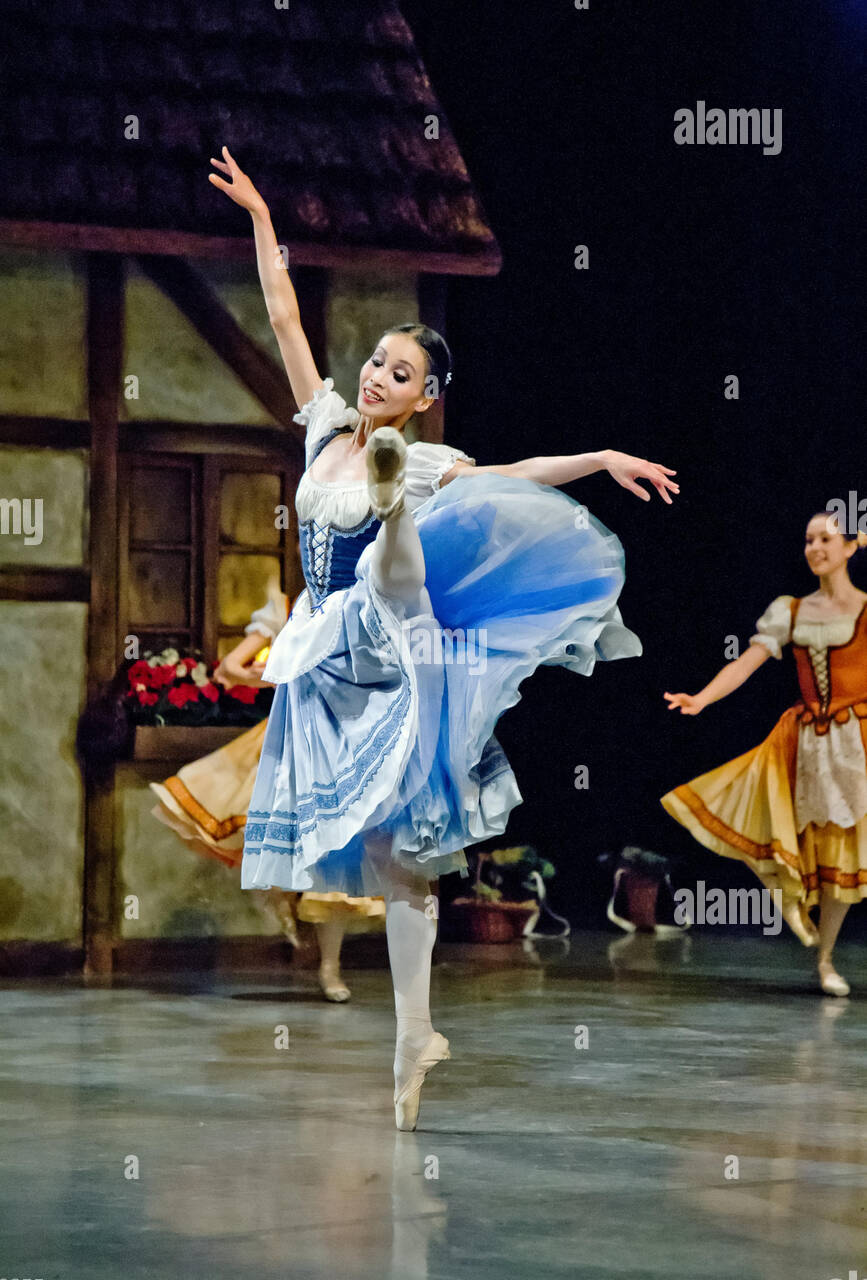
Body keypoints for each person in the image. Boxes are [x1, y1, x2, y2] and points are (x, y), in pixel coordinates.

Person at [209, 145, 677, 1129]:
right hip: (321, 655)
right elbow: (284, 312)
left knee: (403, 841)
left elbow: (516, 472)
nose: (378, 375)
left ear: (424, 395)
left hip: (379, 647)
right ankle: (415, 1028)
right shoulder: (324, 427)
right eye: (378, 360)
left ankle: (415, 1028)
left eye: (401, 371)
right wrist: (259, 217)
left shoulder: (420, 458)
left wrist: (599, 457)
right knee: (382, 861)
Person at [149, 580, 386, 1003]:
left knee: (330, 856)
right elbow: (230, 669)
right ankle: (283, 907)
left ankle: (329, 965)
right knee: (274, 833)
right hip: (289, 737)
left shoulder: (356, 603)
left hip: (337, 741)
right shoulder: (289, 606)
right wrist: (277, 677)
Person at [662, 511, 867, 997]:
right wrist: (702, 698)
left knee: (843, 851)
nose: (814, 547)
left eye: (825, 539)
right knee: (758, 817)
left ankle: (824, 960)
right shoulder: (791, 611)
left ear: (849, 548)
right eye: (808, 539)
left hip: (855, 742)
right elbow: (747, 662)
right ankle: (790, 896)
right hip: (802, 741)